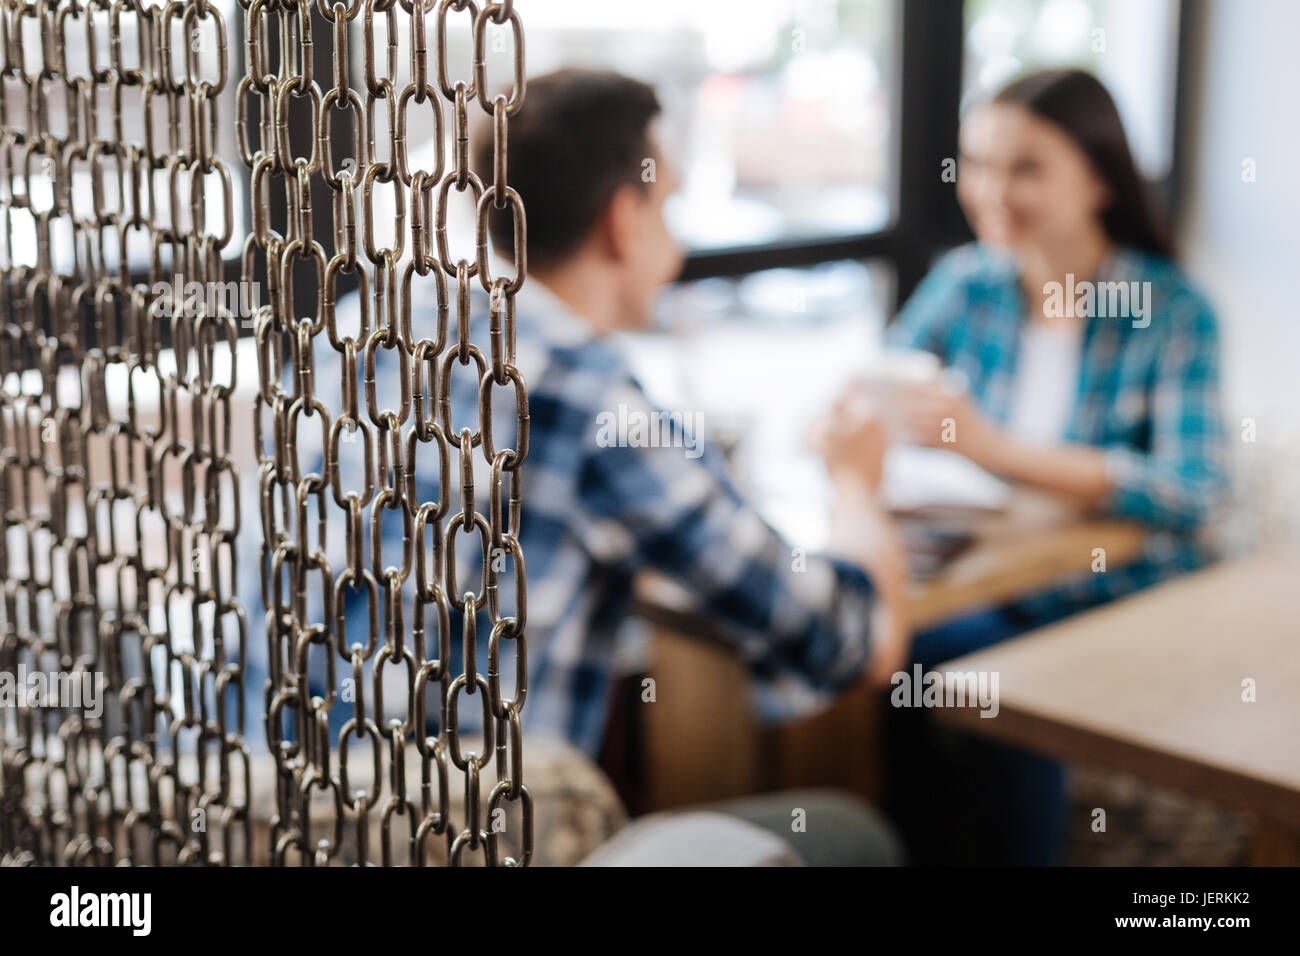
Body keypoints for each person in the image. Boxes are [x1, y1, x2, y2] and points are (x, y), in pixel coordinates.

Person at [247, 69, 912, 864]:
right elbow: (850, 643)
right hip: (464, 841)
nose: (681, 239)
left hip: (276, 820)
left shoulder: (360, 327)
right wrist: (853, 482)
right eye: (670, 204)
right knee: (851, 838)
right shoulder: (588, 395)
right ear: (622, 221)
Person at [871, 69, 1229, 864]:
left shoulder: (1169, 310)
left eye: (1027, 167)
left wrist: (993, 448)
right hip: (993, 569)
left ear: (1100, 177)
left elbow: (1193, 489)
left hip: (1115, 591)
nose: (993, 190)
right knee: (891, 657)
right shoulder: (969, 282)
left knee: (971, 678)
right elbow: (884, 383)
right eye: (979, 163)